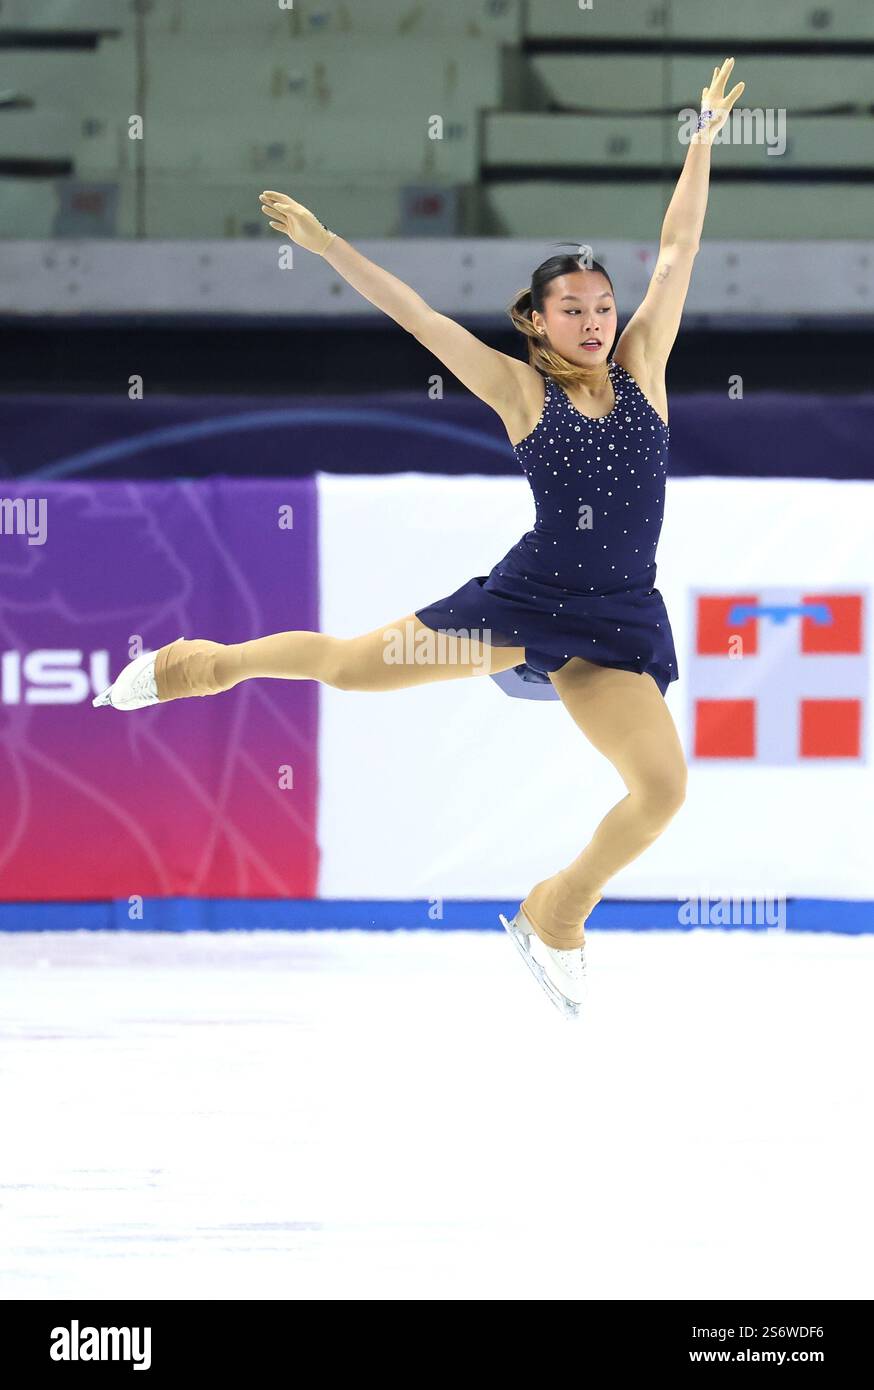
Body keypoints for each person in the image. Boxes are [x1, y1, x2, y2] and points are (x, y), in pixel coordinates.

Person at [93, 60, 745, 1019]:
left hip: (616, 624)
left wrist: (702, 138)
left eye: (603, 305)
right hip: (525, 605)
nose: (597, 321)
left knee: (661, 792)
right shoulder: (520, 390)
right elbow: (416, 312)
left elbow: (679, 246)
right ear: (536, 321)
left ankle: (557, 912)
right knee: (354, 668)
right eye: (574, 309)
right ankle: (207, 665)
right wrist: (326, 246)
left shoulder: (646, 358)